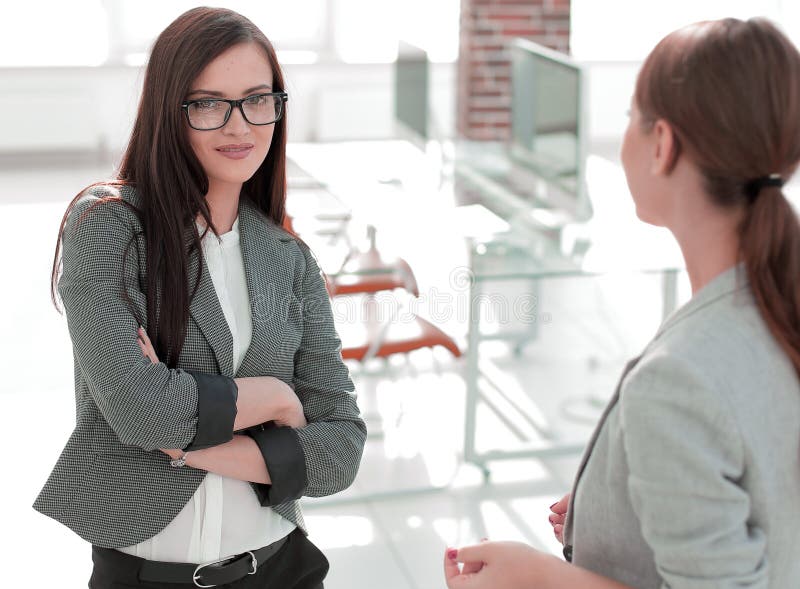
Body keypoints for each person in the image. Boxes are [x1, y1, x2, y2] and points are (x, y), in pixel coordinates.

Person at [445, 17, 800, 588]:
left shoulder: (679, 378)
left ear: (662, 144)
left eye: (633, 116)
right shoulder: (776, 307)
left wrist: (537, 577)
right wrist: (617, 505)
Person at [33, 7, 366, 588]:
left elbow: (340, 450)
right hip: (144, 575)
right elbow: (144, 412)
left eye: (257, 100)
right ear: (170, 110)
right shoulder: (110, 227)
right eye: (209, 103)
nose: (239, 126)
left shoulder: (289, 257)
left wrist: (186, 446)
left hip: (279, 566)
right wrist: (279, 400)